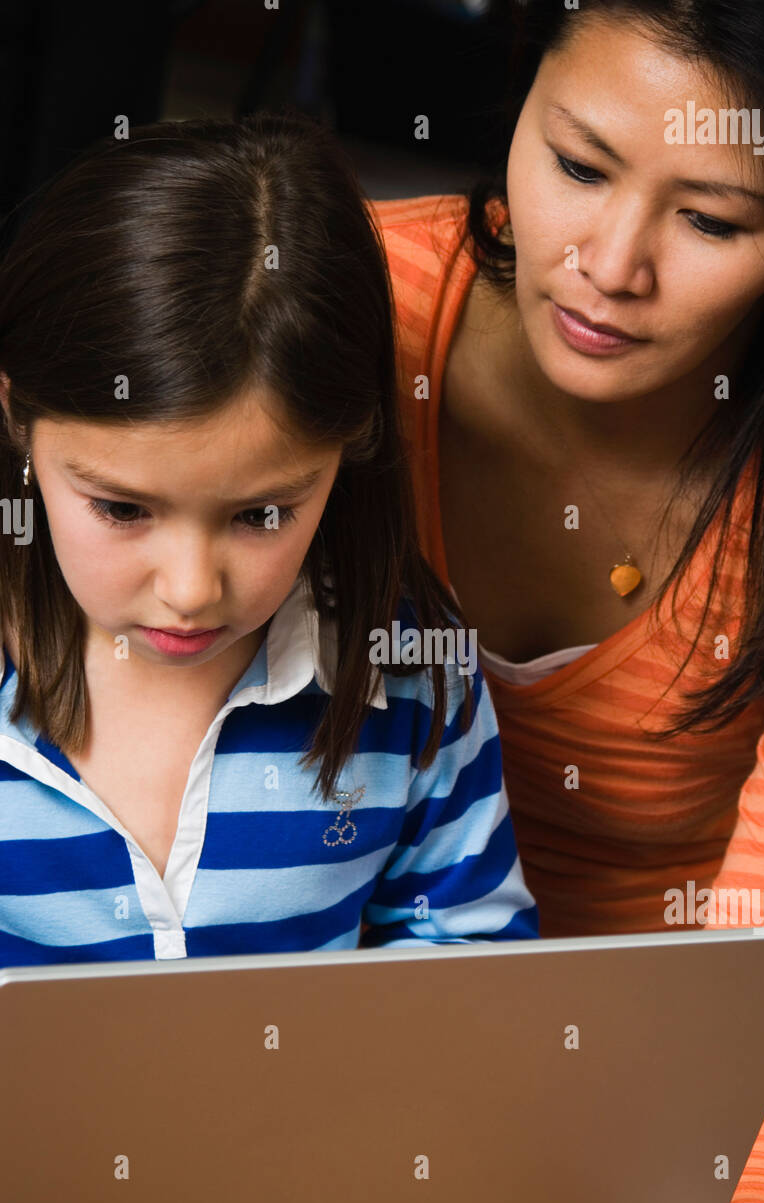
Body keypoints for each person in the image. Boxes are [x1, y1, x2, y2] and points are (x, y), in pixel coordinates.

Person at [372, 0, 764, 1203]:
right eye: (577, 165)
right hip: (306, 1021)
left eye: (709, 220)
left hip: (660, 1091)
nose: (607, 262)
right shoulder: (325, 317)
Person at [0, 110, 538, 967]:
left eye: (261, 516)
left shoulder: (414, 679)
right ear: (18, 419)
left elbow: (471, 970)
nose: (190, 588)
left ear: (349, 450)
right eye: (123, 509)